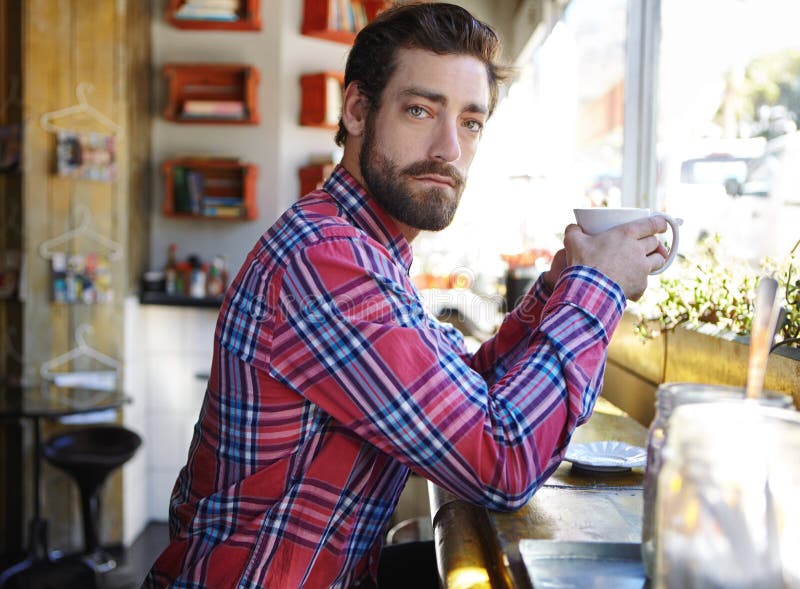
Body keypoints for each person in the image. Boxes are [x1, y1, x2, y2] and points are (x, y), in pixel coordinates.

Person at [144, 3, 669, 588]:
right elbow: (502, 460)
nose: (449, 148)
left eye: (471, 122)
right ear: (358, 109)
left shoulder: (367, 251)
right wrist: (597, 289)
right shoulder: (326, 260)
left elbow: (463, 398)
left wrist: (553, 291)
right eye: (421, 109)